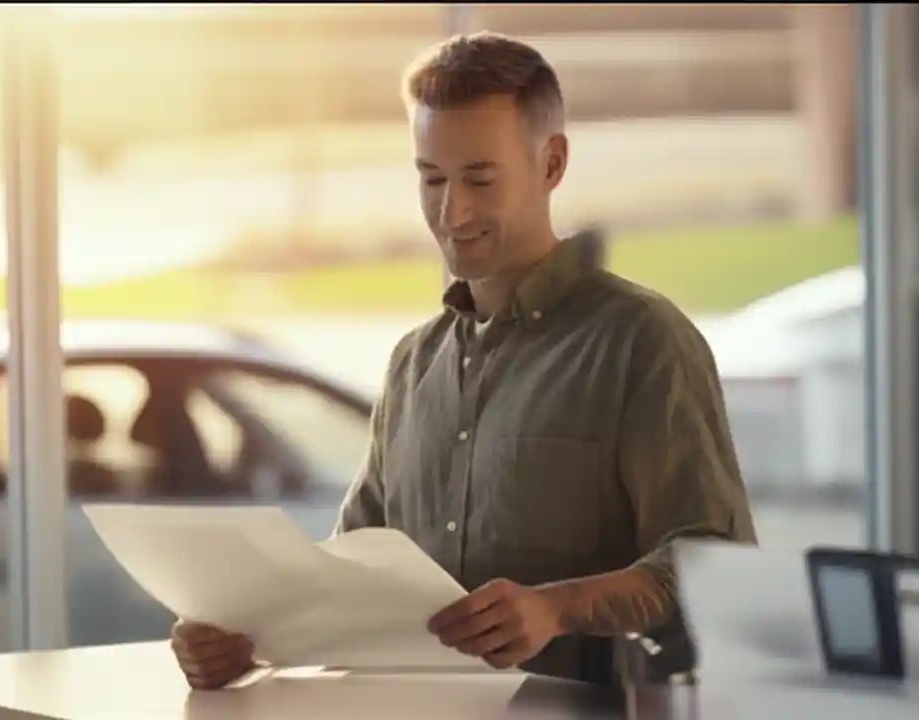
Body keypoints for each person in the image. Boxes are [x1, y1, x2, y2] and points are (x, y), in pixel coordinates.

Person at [169, 31, 757, 689]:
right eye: (432, 178)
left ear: (552, 163)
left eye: (479, 178)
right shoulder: (411, 364)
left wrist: (557, 608)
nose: (453, 212)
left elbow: (716, 565)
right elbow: (347, 576)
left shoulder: (640, 342)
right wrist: (247, 637)